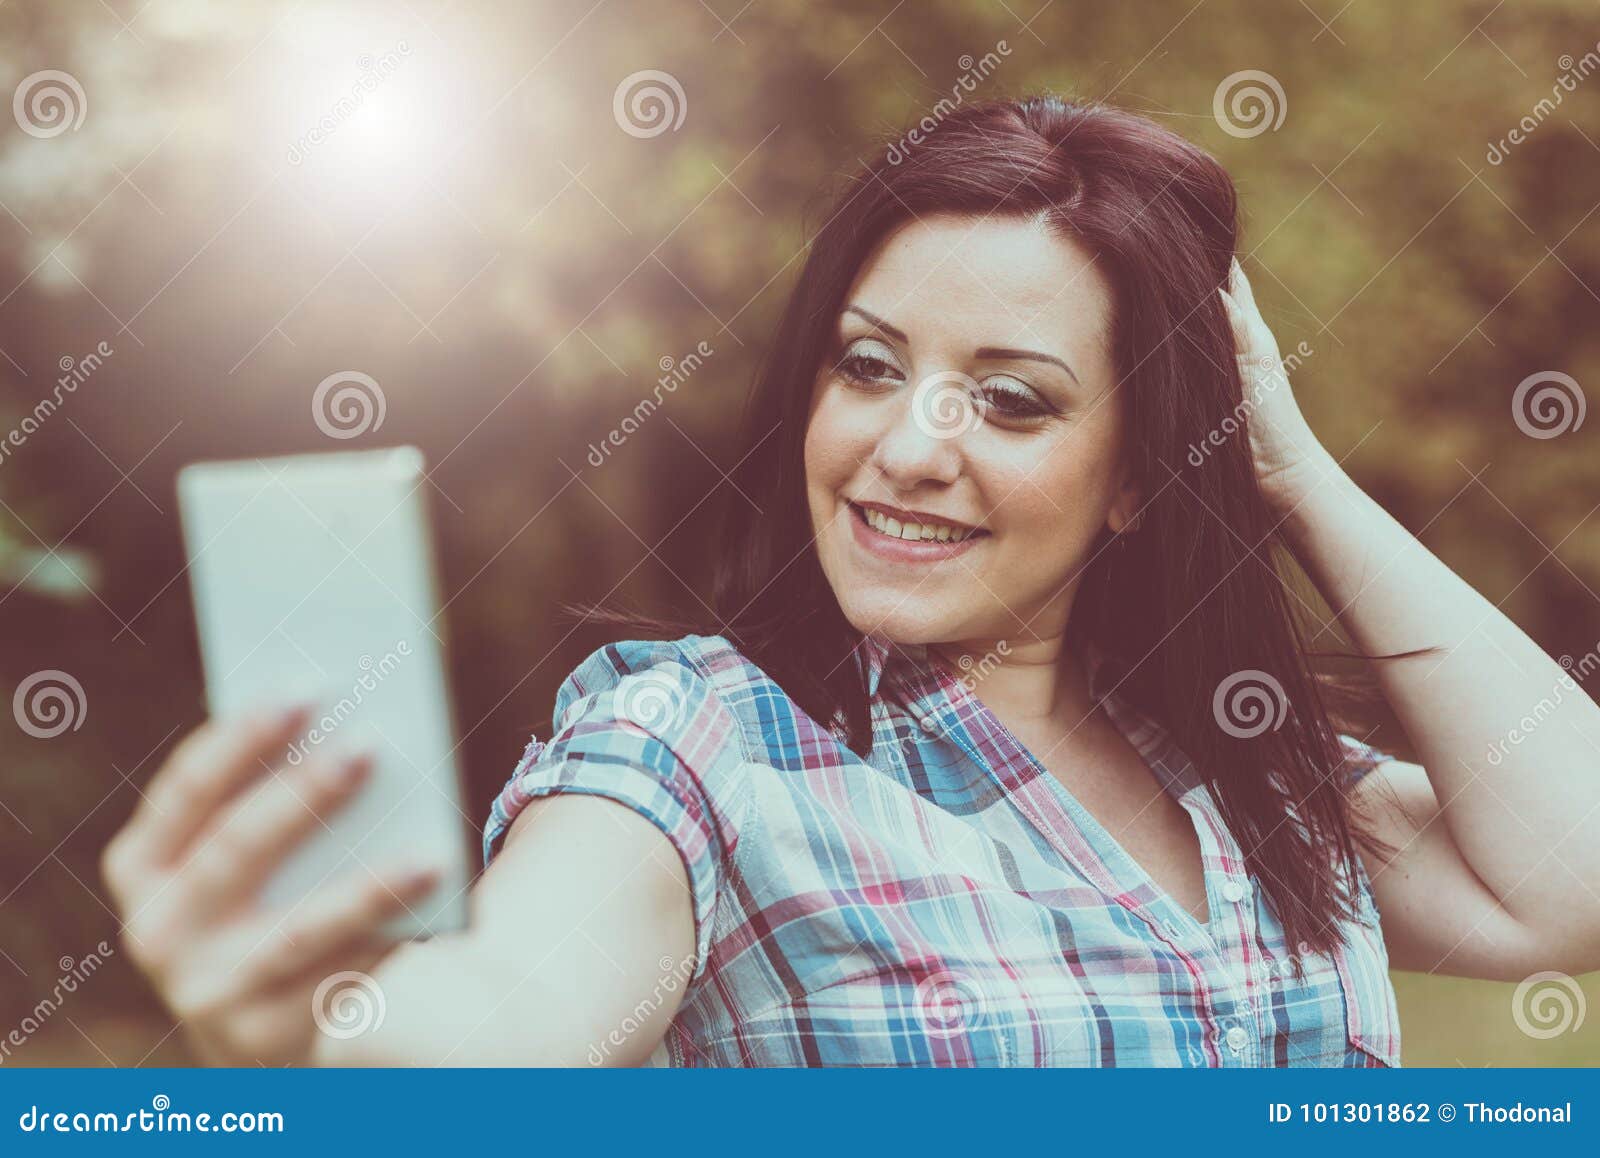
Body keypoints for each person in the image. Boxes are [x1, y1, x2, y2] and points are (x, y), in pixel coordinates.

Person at [101, 96, 1600, 1067]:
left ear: (1139, 471)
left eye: (1012, 400)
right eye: (868, 366)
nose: (905, 444)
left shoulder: (1253, 775)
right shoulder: (695, 746)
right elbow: (512, 1011)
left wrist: (1286, 467)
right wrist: (333, 1014)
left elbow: (1569, 875)